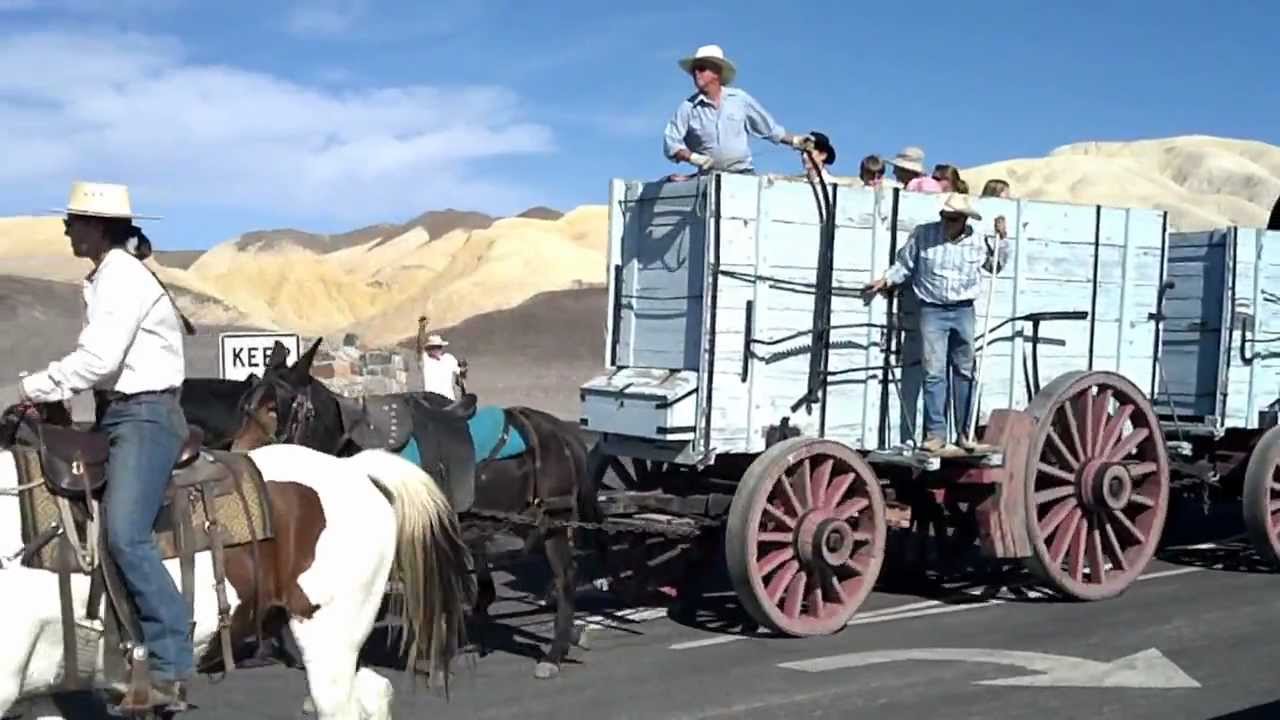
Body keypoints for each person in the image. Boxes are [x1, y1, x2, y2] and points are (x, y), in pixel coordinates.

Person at [16, 181, 194, 705]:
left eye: (73, 222)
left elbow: (99, 361)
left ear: (97, 227)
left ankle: (169, 660)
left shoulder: (123, 278)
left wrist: (25, 388)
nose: (67, 229)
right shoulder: (106, 277)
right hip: (117, 413)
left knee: (125, 533)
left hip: (146, 416)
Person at [862, 193, 1010, 454]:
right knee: (933, 372)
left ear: (964, 219)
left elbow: (995, 266)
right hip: (931, 309)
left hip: (964, 309)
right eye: (944, 216)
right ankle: (936, 434)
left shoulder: (978, 241)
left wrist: (1003, 240)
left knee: (964, 372)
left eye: (952, 218)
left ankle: (966, 434)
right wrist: (885, 280)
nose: (946, 221)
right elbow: (904, 265)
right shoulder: (923, 235)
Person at [663, 44, 815, 175]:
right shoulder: (687, 108)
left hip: (743, 176)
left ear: (717, 72)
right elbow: (671, 143)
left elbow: (769, 129)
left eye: (701, 69)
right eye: (694, 70)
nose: (696, 74)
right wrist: (693, 158)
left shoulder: (739, 99)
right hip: (707, 180)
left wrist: (796, 141)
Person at [417, 326, 463, 400]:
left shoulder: (449, 358)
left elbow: (461, 375)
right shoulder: (426, 360)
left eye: (439, 347)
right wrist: (421, 329)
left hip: (449, 400)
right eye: (434, 347)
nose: (437, 349)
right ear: (428, 349)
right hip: (432, 402)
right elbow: (419, 348)